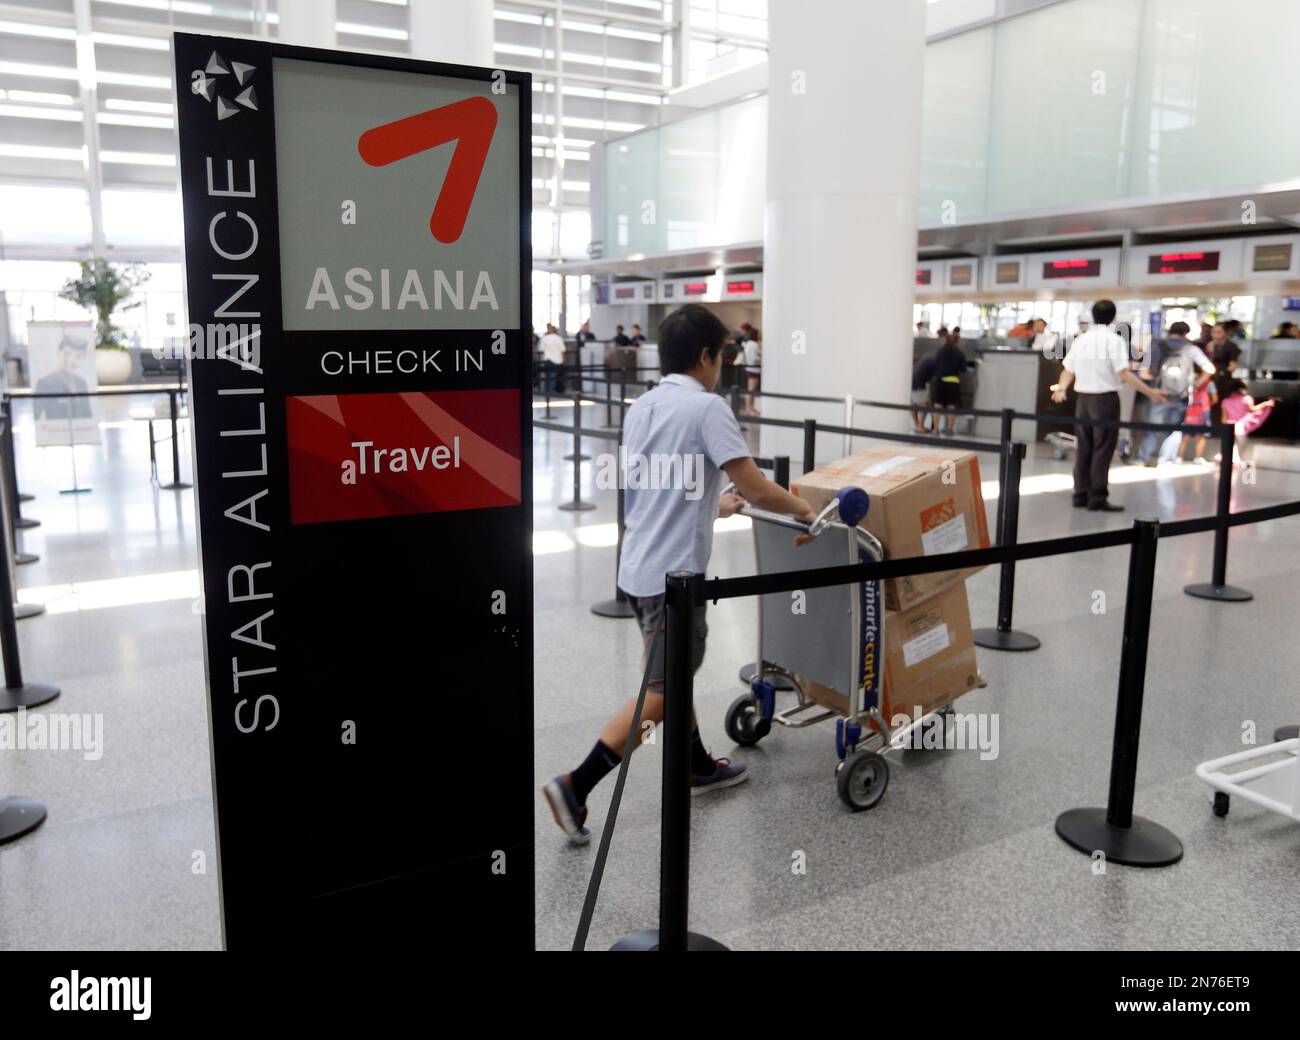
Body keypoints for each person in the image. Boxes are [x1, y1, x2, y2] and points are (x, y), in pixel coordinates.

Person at [542, 304, 817, 845]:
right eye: (722, 357)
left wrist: (714, 504)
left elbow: (656, 485)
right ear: (706, 356)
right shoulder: (707, 407)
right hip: (676, 575)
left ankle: (694, 765)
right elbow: (758, 484)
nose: (722, 368)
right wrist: (804, 510)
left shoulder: (642, 406)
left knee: (675, 673)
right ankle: (577, 784)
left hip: (641, 565)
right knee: (663, 692)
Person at [1052, 299, 1169, 511]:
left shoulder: (1082, 340)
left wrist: (1061, 389)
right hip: (1105, 400)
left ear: (1093, 315)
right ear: (1113, 317)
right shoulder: (1113, 341)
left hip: (1083, 400)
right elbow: (1123, 373)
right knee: (1103, 448)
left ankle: (1080, 494)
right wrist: (1152, 392)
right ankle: (1097, 497)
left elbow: (1067, 369)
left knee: (1084, 447)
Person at [1134, 320, 1215, 465]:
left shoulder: (1158, 346)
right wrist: (1196, 383)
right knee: (1175, 429)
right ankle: (1165, 459)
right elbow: (1210, 369)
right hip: (1182, 395)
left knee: (1153, 428)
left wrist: (1154, 385)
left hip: (1160, 394)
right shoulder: (1191, 348)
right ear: (1185, 334)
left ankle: (1143, 458)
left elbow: (1144, 373)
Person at [33, 334, 93, 422]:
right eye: (67, 354)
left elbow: (87, 415)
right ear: (59, 353)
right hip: (56, 432)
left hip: (81, 432)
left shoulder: (81, 382)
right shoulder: (46, 383)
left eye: (78, 356)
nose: (72, 360)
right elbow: (36, 415)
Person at [930, 331, 968, 435]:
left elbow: (935, 365)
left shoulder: (940, 351)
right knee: (951, 405)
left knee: (937, 405)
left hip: (940, 381)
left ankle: (935, 429)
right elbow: (963, 370)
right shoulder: (960, 353)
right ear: (957, 342)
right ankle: (949, 429)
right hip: (953, 382)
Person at [1177, 369, 1217, 465]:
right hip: (1203, 411)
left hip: (1189, 410)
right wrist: (1207, 405)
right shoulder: (1209, 383)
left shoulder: (1189, 382)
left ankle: (1179, 457)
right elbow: (1215, 399)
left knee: (1184, 435)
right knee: (1201, 435)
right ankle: (1198, 458)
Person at [911, 349, 938, 433]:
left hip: (912, 380)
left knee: (914, 405)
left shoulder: (928, 355)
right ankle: (920, 426)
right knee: (924, 405)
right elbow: (937, 375)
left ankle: (917, 425)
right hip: (919, 382)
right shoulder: (937, 359)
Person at [539, 323, 566, 394]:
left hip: (548, 360)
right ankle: (552, 392)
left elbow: (541, 349)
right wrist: (563, 360)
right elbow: (562, 350)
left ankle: (548, 392)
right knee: (554, 377)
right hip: (557, 361)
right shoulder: (559, 339)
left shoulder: (545, 338)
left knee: (548, 377)